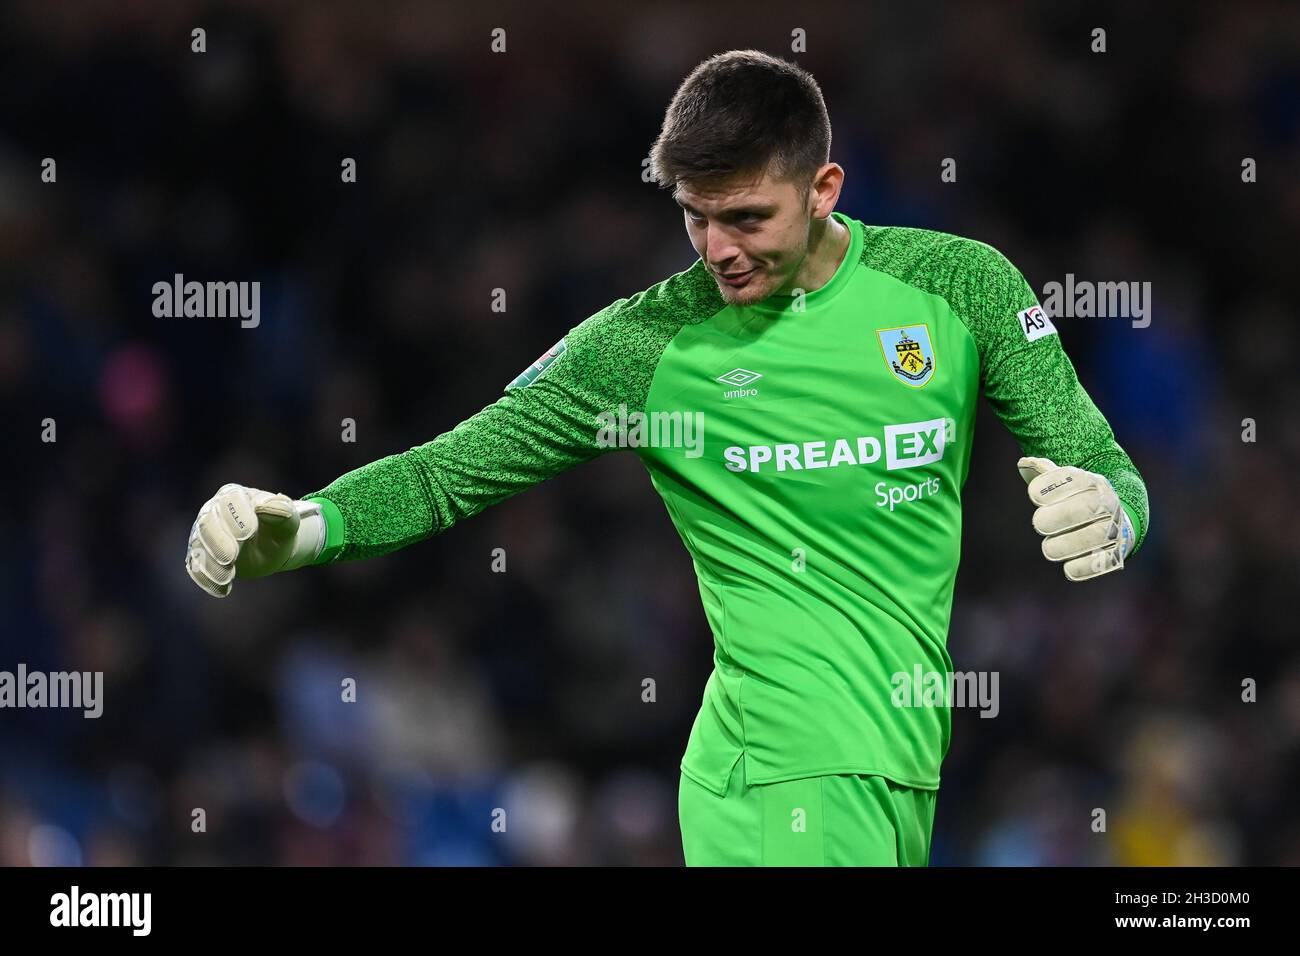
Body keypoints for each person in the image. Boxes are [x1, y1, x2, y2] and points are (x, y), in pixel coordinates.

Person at [184, 49, 1149, 866]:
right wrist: (306, 528)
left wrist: (1113, 509)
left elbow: (1093, 454)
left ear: (824, 190)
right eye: (697, 216)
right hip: (779, 775)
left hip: (900, 764)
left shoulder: (958, 288)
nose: (718, 249)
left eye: (748, 217)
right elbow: (449, 470)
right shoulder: (648, 346)